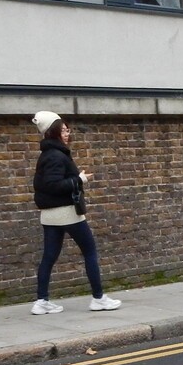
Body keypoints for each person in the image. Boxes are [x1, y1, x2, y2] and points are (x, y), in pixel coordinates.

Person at [30, 111, 121, 314]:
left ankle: (41, 301)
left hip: (50, 215)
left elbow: (46, 183)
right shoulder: (56, 156)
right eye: (63, 130)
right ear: (54, 132)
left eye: (67, 130)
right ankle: (98, 298)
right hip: (67, 212)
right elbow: (53, 185)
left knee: (49, 257)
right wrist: (79, 180)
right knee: (89, 251)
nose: (67, 134)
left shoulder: (46, 154)